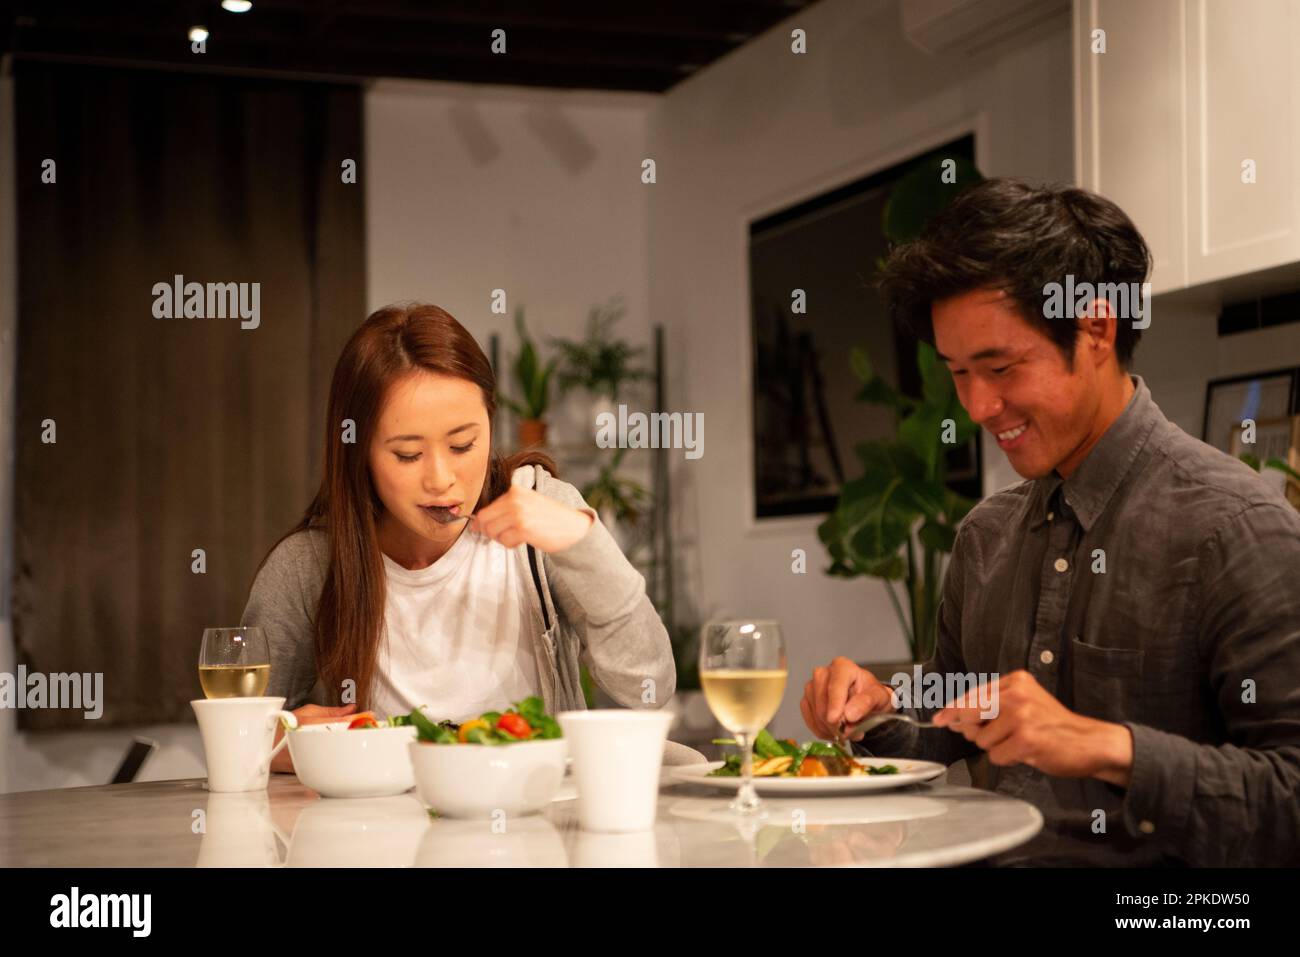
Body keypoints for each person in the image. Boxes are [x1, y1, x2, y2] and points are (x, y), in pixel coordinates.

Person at [801, 178, 1300, 865]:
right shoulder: (985, 536)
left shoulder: (1235, 529)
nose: (977, 406)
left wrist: (1107, 745)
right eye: (958, 372)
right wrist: (881, 706)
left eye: (1000, 366)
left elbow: (1291, 794)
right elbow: (949, 716)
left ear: (1096, 327)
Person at [241, 302, 675, 773]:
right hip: (377, 842)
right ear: (357, 451)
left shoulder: (540, 512)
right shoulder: (308, 565)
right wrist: (278, 744)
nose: (441, 479)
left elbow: (649, 686)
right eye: (407, 454)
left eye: (463, 445)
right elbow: (242, 741)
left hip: (539, 832)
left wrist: (583, 544)